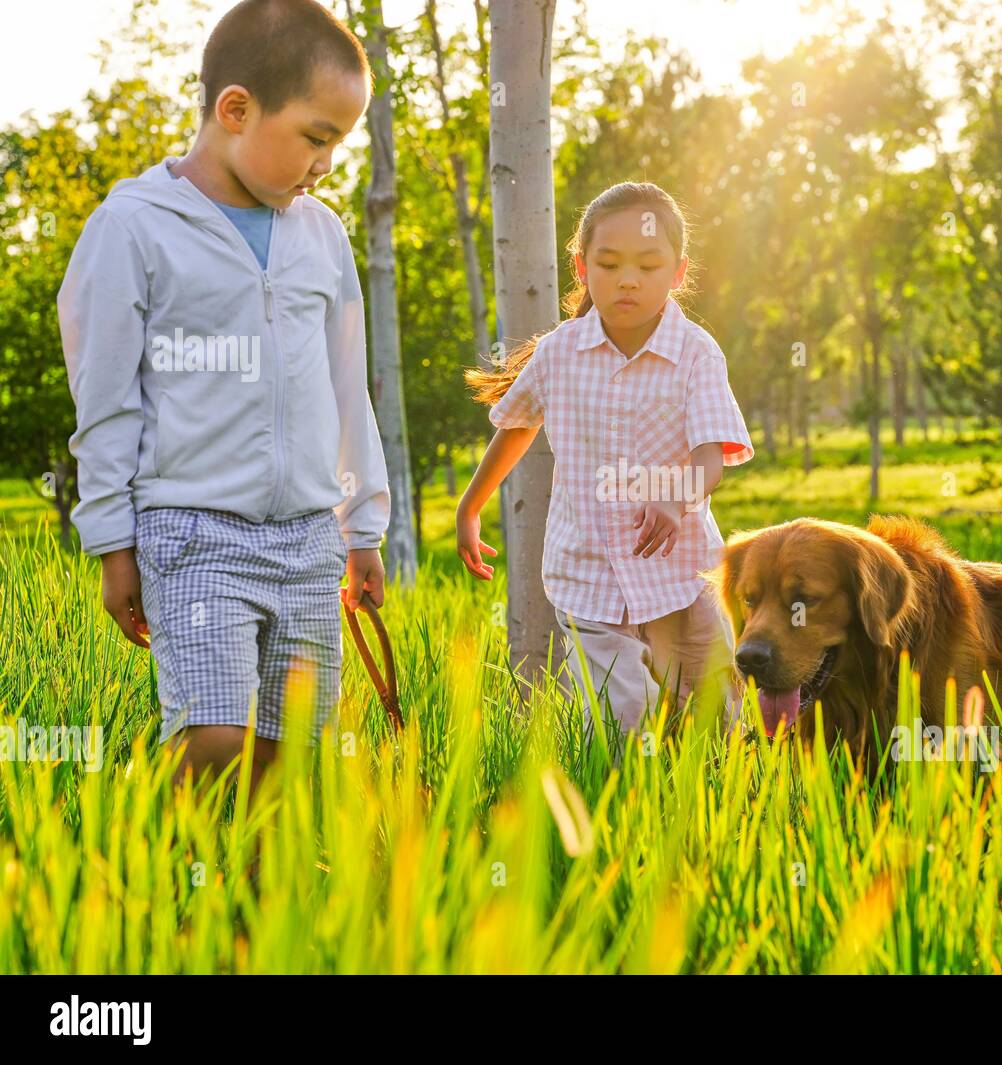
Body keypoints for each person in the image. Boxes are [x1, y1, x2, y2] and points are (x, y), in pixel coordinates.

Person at [57, 0, 390, 798]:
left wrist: (364, 524)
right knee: (213, 736)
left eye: (339, 144)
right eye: (317, 137)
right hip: (192, 530)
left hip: (309, 536)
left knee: (289, 759)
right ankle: (165, 869)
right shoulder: (134, 227)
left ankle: (249, 911)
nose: (326, 163)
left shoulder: (323, 235)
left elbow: (347, 380)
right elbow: (104, 401)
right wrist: (112, 542)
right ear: (235, 109)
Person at [458, 182, 754, 754]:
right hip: (587, 575)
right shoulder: (559, 353)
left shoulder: (696, 352)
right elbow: (517, 423)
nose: (627, 279)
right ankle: (622, 818)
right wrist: (471, 506)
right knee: (623, 717)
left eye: (648, 265)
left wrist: (675, 498)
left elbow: (712, 454)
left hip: (681, 575)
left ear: (677, 271)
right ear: (581, 265)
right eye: (609, 263)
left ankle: (704, 827)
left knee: (714, 721)